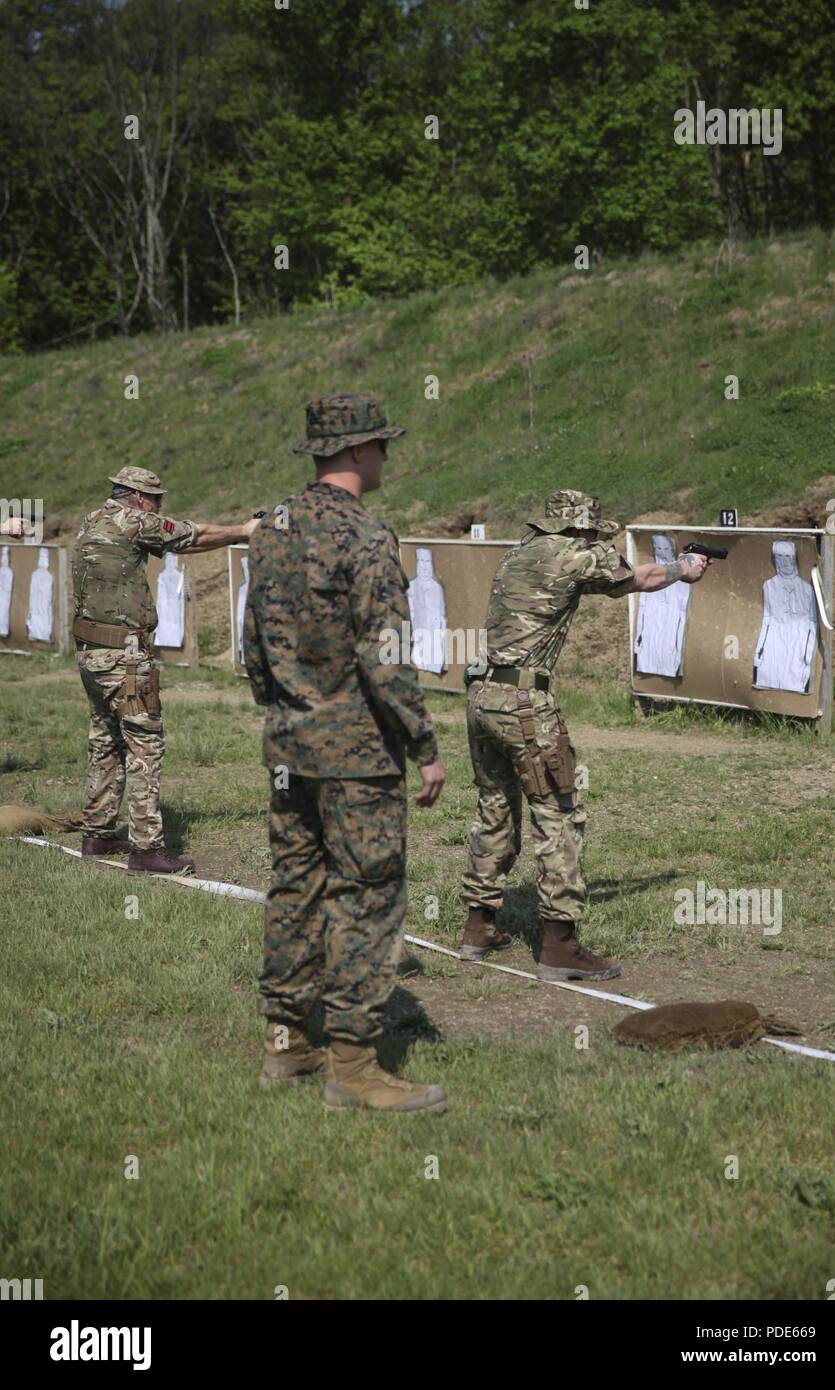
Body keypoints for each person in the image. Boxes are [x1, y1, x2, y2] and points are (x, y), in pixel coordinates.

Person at [244, 395, 448, 1114]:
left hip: (288, 745)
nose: (388, 458)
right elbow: (385, 657)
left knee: (294, 889)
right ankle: (354, 1068)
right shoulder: (366, 535)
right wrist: (423, 744)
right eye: (383, 447)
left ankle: (287, 1044)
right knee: (366, 897)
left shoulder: (271, 526)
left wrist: (286, 710)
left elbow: (254, 647)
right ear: (359, 451)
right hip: (358, 757)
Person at [459, 489, 709, 980]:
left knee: (494, 809)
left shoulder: (519, 553)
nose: (598, 537)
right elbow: (643, 577)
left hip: (482, 697)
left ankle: (478, 927)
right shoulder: (577, 553)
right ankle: (559, 946)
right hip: (525, 704)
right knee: (559, 816)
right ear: (581, 527)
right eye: (595, 530)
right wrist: (684, 568)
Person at [71, 465, 258, 874]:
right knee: (144, 745)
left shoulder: (93, 520)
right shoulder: (135, 521)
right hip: (125, 656)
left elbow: (179, 544)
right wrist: (245, 531)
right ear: (139, 498)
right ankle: (146, 849)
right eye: (156, 500)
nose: (158, 507)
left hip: (90, 652)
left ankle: (97, 834)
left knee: (105, 739)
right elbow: (191, 533)